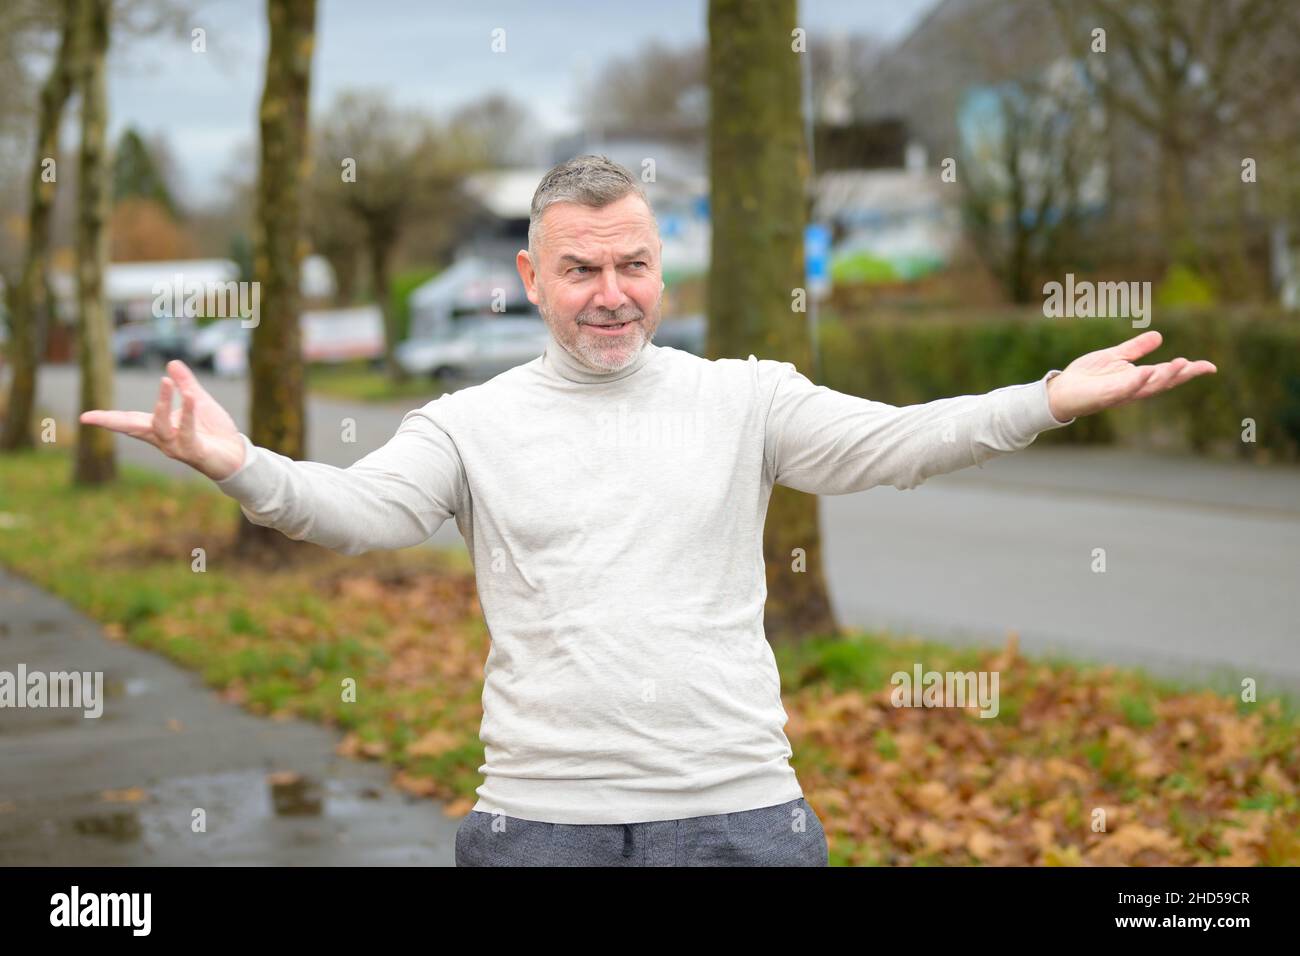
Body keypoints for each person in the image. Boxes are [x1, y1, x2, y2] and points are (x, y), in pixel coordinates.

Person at [79, 155, 1217, 866]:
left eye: (633, 263)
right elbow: (359, 511)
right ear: (530, 277)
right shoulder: (471, 418)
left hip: (738, 815)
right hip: (540, 822)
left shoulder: (745, 395)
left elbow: (893, 443)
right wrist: (238, 462)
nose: (612, 291)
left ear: (662, 267)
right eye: (580, 269)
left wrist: (1049, 397)